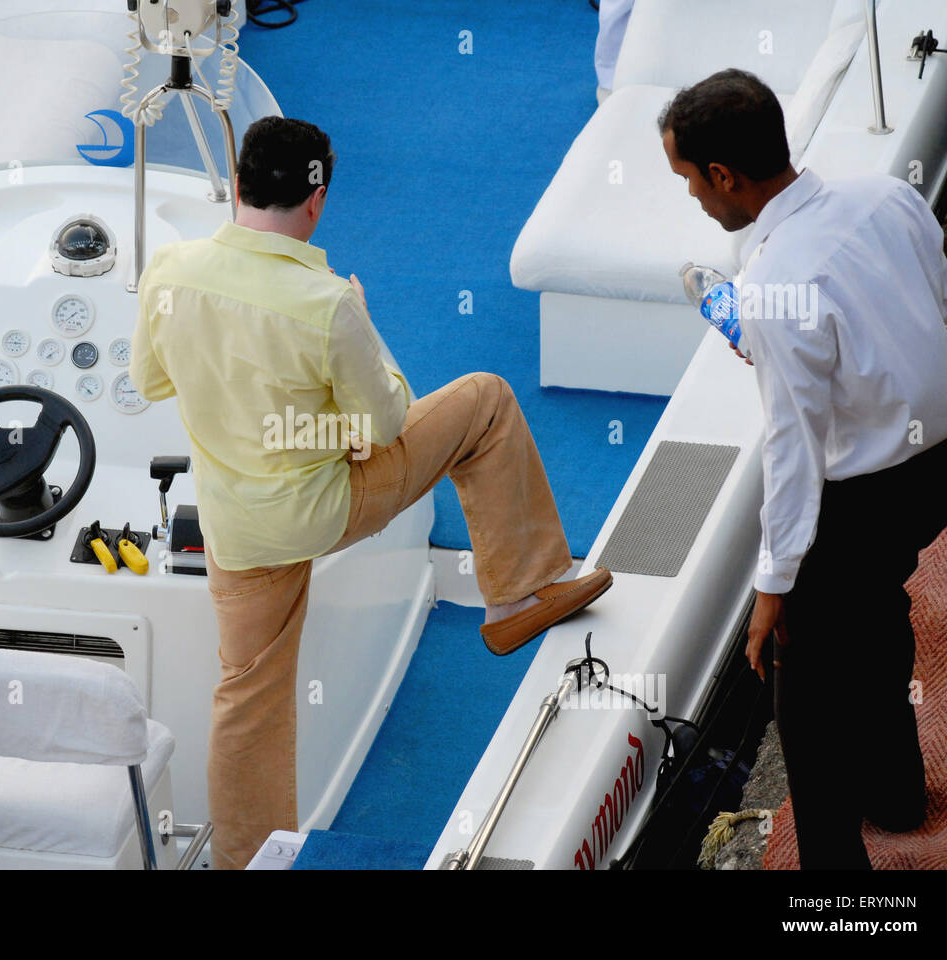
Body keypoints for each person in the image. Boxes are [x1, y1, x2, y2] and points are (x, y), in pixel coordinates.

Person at [131, 116, 612, 869]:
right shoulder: (326, 303)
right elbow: (386, 423)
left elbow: (150, 380)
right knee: (483, 399)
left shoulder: (169, 271)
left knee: (246, 695)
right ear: (316, 196)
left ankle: (247, 861)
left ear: (241, 182)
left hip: (233, 527)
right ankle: (516, 595)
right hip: (322, 509)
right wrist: (358, 318)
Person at [659, 69, 947, 869]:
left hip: (861, 505)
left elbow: (793, 449)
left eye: (689, 180)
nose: (692, 197)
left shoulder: (769, 284)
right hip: (937, 474)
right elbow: (943, 308)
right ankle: (898, 794)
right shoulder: (889, 198)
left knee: (808, 706)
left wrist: (772, 591)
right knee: (872, 611)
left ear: (723, 176)